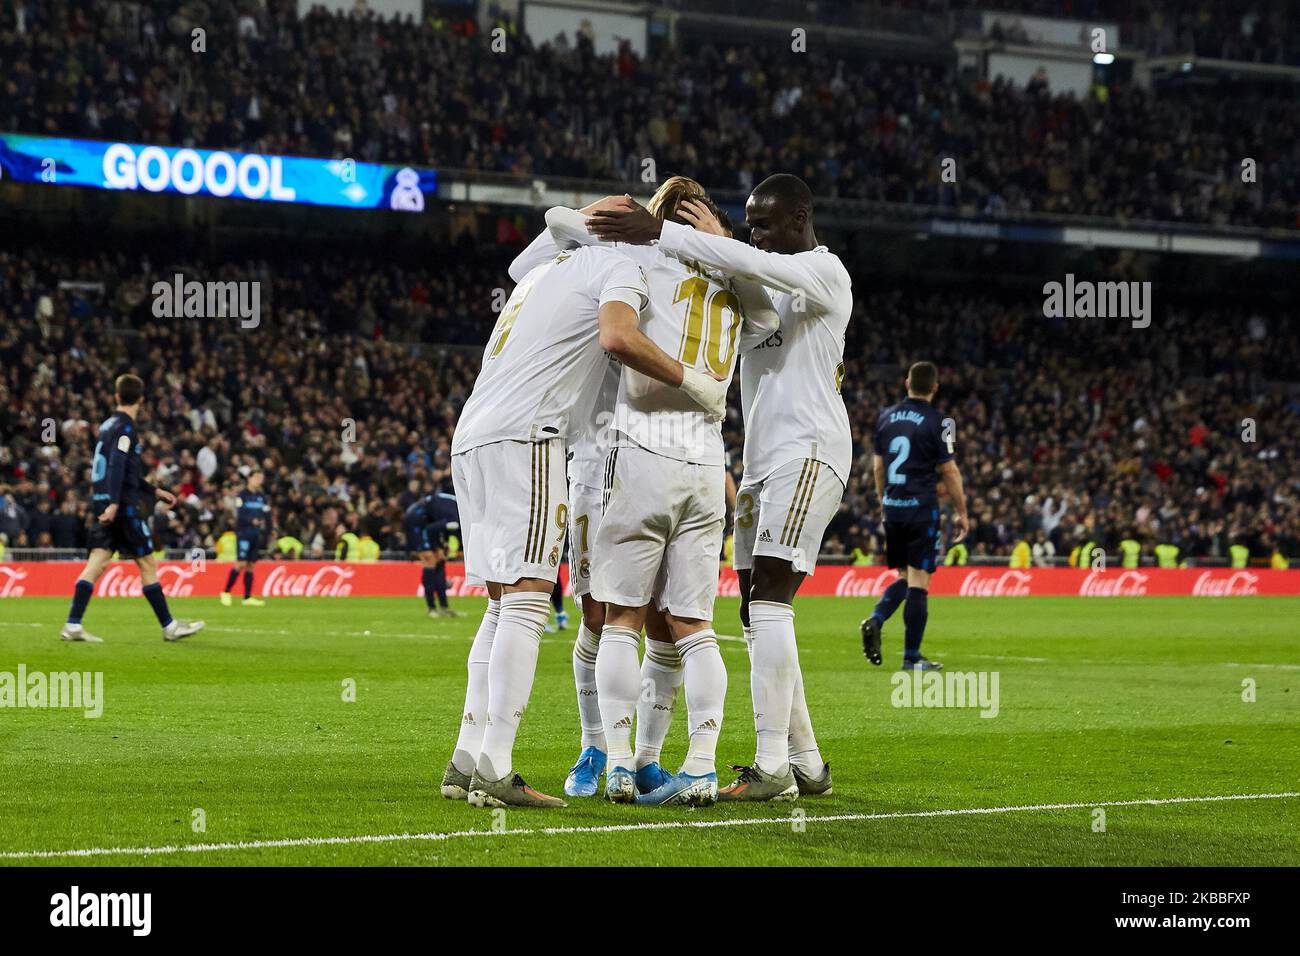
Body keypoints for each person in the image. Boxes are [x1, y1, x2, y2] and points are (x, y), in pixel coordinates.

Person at [441, 226, 729, 810]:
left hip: (473, 435)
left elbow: (528, 257)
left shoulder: (545, 272)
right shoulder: (622, 268)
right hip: (535, 438)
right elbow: (619, 336)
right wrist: (695, 382)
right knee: (529, 600)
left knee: (502, 604)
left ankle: (468, 756)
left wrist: (570, 215)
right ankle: (500, 766)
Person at [589, 173, 848, 802]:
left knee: (768, 604)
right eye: (749, 221)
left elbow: (746, 262)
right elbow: (748, 293)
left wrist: (671, 231)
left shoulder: (825, 270)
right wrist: (694, 246)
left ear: (801, 218)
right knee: (754, 609)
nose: (755, 231)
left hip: (808, 453)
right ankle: (806, 762)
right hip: (759, 465)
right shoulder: (756, 289)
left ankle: (773, 766)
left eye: (765, 221)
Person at [59, 374, 205, 644]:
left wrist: (153, 491)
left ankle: (72, 624)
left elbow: (122, 469)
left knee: (97, 562)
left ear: (116, 396)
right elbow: (117, 463)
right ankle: (169, 626)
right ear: (141, 399)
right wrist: (116, 502)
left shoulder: (107, 426)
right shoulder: (126, 428)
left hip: (103, 501)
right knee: (147, 562)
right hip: (122, 507)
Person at [860, 362, 969, 670]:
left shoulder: (886, 416)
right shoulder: (939, 421)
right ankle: (911, 657)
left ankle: (877, 618)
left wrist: (884, 500)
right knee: (920, 582)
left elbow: (879, 467)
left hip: (894, 508)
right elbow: (948, 469)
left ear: (907, 382)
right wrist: (962, 511)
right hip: (922, 509)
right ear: (935, 387)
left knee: (906, 578)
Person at [405, 486, 463, 618]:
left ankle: (444, 607)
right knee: (430, 559)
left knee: (440, 558)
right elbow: (435, 527)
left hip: (430, 522)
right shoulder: (455, 511)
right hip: (418, 522)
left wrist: (445, 543)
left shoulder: (457, 507)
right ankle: (431, 608)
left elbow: (446, 525)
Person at [221, 469, 270, 607]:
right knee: (240, 563)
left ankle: (247, 597)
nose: (259, 480)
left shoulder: (262, 497)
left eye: (261, 477)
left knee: (251, 566)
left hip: (256, 534)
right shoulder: (241, 496)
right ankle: (226, 592)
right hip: (243, 533)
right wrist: (251, 520)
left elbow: (267, 515)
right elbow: (240, 514)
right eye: (257, 477)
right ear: (249, 478)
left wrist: (268, 530)